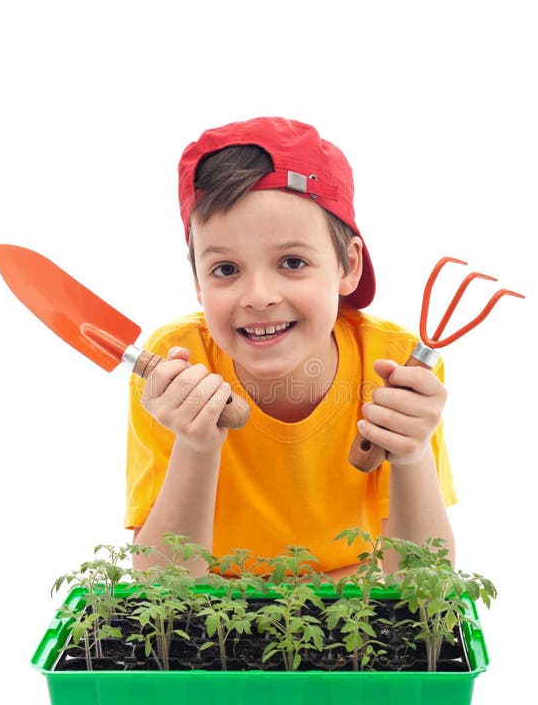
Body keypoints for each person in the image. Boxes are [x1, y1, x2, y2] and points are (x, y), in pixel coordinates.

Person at [125, 117, 456, 579]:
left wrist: (413, 454)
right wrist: (196, 445)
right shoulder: (174, 367)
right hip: (215, 621)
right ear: (197, 280)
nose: (259, 296)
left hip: (351, 614)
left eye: (292, 262)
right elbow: (160, 585)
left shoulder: (395, 366)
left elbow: (422, 583)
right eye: (225, 269)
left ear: (348, 265)